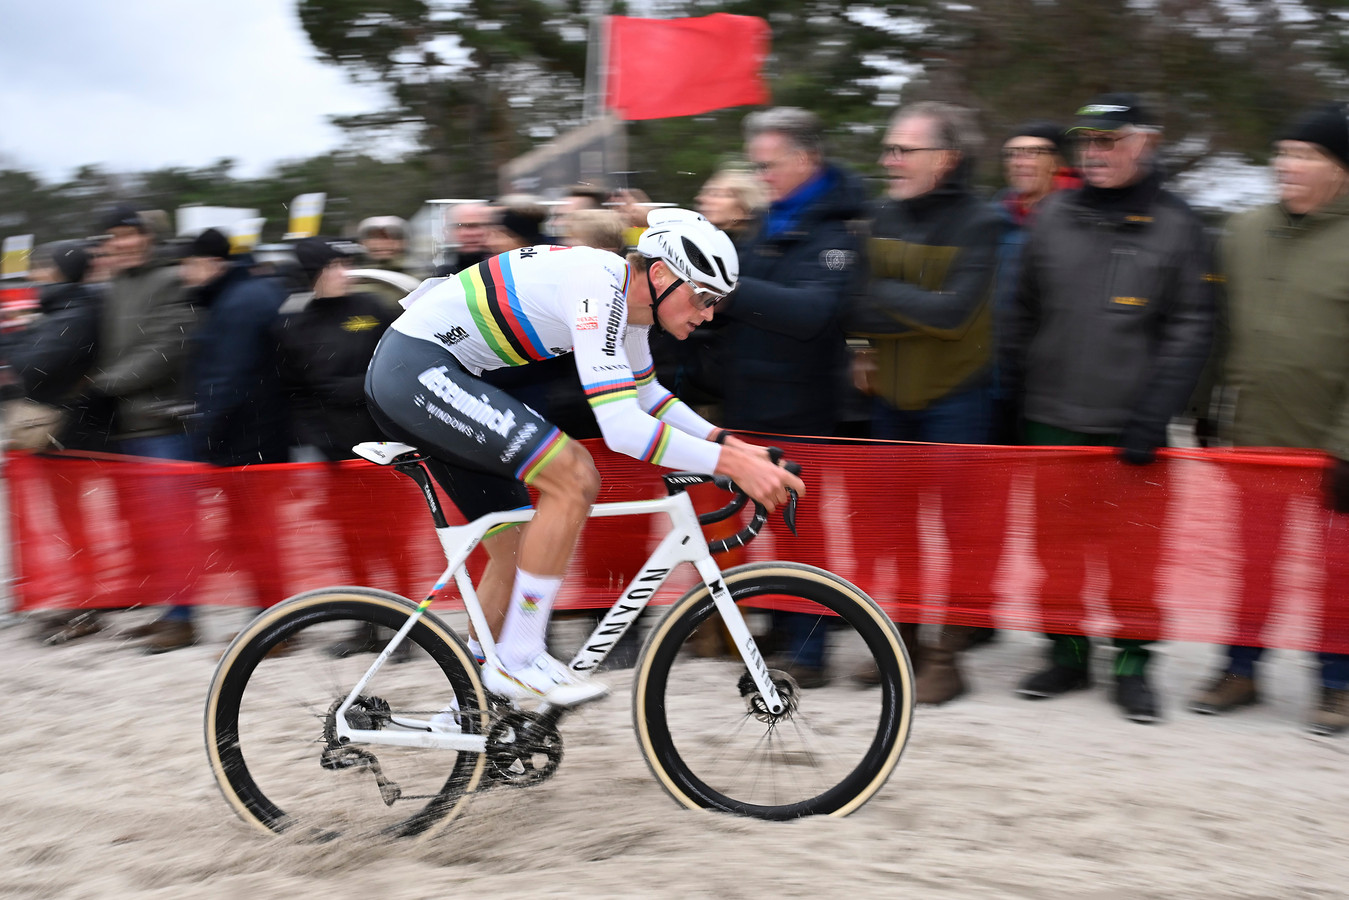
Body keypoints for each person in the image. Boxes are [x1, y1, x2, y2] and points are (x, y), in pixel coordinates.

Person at [365, 209, 804, 706]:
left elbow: (648, 398)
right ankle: (520, 657)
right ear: (660, 275)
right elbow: (621, 429)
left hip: (440, 373)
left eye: (717, 303)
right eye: (702, 297)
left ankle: (472, 706)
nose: (707, 314)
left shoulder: (631, 308)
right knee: (573, 474)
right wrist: (733, 467)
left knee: (514, 545)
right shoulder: (597, 282)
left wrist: (731, 446)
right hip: (416, 369)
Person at [1001, 93, 1216, 722]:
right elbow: (1020, 311)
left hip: (1133, 424)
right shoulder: (1054, 216)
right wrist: (1015, 398)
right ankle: (1067, 656)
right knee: (1055, 551)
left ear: (1145, 142)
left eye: (1111, 141)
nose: (1095, 153)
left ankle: (1132, 666)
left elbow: (1192, 329)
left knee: (1134, 556)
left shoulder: (1180, 225)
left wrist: (1156, 414)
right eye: (1087, 142)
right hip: (1050, 417)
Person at [1189, 102, 1349, 735]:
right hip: (1254, 441)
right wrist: (1205, 409)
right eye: (1283, 151)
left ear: (1341, 169)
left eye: (1304, 155)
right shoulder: (1243, 231)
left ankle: (1337, 684)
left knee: (1338, 573)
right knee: (1251, 564)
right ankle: (1239, 669)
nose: (1285, 165)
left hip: (1331, 449)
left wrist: (1347, 449)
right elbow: (1219, 332)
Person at [846, 101, 1005, 705]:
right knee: (892, 531)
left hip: (957, 400)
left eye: (904, 150)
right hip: (890, 398)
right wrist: (872, 332)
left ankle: (947, 657)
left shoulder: (981, 222)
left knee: (959, 535)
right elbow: (853, 307)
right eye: (889, 148)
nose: (890, 161)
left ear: (946, 158)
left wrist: (881, 296)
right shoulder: (880, 214)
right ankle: (901, 643)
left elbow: (953, 314)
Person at [712, 107, 867, 688]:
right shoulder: (775, 219)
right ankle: (780, 623)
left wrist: (726, 290)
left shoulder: (836, 232)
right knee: (758, 525)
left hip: (804, 410)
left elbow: (815, 312)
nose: (761, 175)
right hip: (750, 401)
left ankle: (811, 647)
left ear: (805, 160)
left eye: (769, 164)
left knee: (803, 529)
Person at [273, 237, 412, 654]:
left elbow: (398, 363)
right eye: (331, 267)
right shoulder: (296, 327)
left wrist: (353, 388)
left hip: (385, 447)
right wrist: (317, 440)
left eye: (344, 264)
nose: (342, 273)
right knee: (352, 543)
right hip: (337, 455)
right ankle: (366, 627)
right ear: (310, 275)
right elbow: (295, 391)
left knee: (394, 542)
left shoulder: (373, 308)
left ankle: (405, 627)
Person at [86, 205, 203, 652]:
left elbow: (166, 348)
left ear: (148, 237)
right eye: (115, 236)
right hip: (125, 428)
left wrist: (102, 386)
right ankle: (168, 610)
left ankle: (182, 619)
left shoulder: (170, 280)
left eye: (130, 234)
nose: (123, 243)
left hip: (164, 424)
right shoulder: (113, 286)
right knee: (147, 529)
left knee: (175, 527)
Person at [179, 228, 290, 620]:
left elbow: (228, 377)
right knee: (258, 531)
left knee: (257, 532)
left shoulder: (238, 303)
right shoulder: (246, 292)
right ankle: (270, 615)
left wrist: (204, 438)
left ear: (211, 263)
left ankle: (273, 622)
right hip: (259, 432)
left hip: (248, 436)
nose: (184, 275)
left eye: (188, 265)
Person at [436, 202, 497, 276]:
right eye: (458, 226)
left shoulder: (504, 270)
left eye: (475, 226)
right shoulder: (443, 275)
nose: (466, 233)